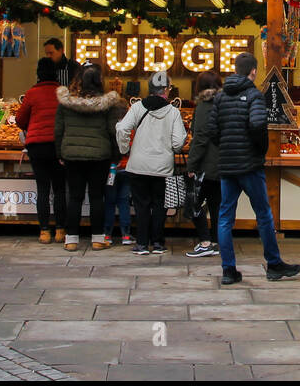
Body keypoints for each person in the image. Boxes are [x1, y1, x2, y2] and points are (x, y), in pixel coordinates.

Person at [204, 52, 300, 285]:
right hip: (249, 164)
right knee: (263, 214)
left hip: (227, 165)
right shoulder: (254, 95)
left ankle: (229, 270)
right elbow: (258, 125)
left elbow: (211, 130)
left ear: (235, 69)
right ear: (253, 71)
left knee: (225, 216)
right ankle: (274, 263)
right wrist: (260, 149)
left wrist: (226, 146)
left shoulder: (219, 97)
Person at [55, 65, 124, 252]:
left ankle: (71, 239)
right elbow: (113, 131)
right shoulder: (107, 106)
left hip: (72, 156)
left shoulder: (65, 104)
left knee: (75, 197)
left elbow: (58, 131)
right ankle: (97, 238)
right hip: (99, 156)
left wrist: (60, 153)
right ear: (99, 82)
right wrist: (116, 155)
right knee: (97, 197)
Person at [116, 70, 186, 255]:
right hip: (162, 167)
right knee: (160, 205)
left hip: (138, 165)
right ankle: (157, 243)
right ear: (165, 90)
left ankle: (141, 243)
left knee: (141, 205)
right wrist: (172, 148)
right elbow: (179, 141)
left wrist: (125, 149)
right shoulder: (173, 112)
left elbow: (122, 128)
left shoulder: (138, 107)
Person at [16, 57, 66, 244]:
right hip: (58, 146)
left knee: (43, 189)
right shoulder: (62, 93)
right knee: (60, 189)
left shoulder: (32, 93)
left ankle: (44, 231)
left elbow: (20, 120)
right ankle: (61, 230)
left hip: (37, 146)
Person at [185, 70, 223, 258]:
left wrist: (191, 165)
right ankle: (217, 241)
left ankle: (206, 242)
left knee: (193, 203)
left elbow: (199, 139)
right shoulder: (226, 104)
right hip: (223, 163)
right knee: (217, 205)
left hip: (205, 164)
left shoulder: (203, 107)